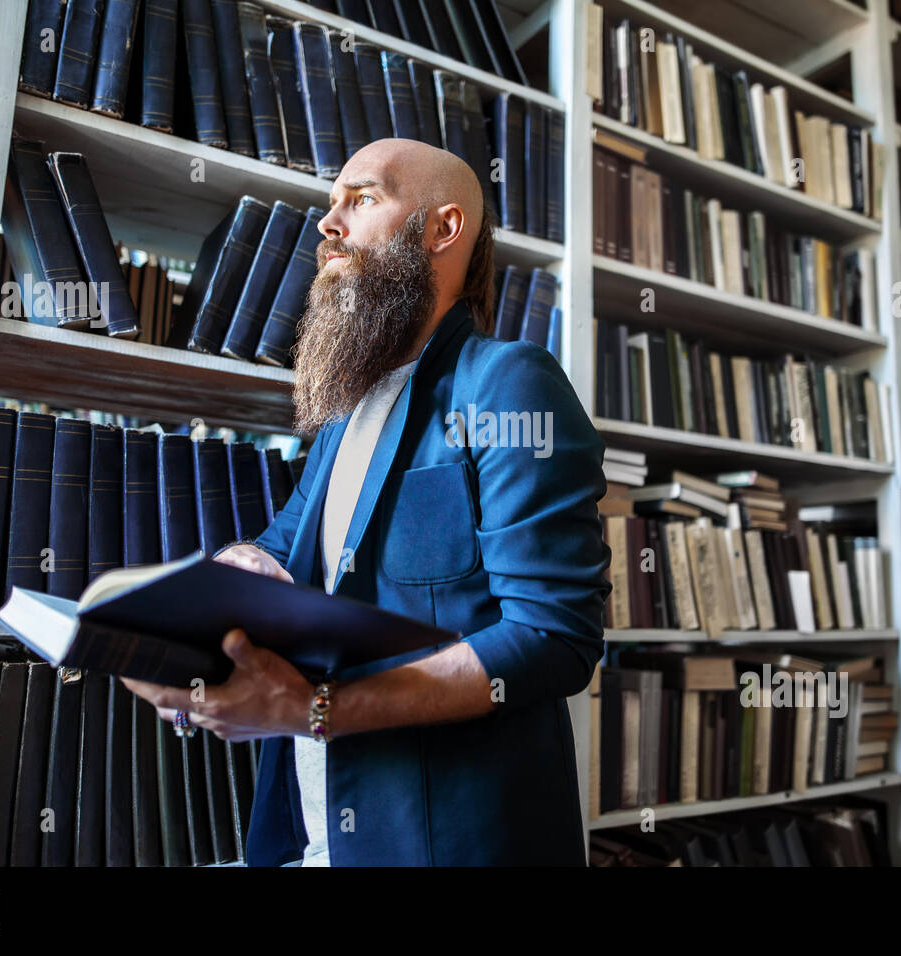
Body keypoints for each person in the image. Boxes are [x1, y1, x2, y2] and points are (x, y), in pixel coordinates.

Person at [123, 138, 609, 866]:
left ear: (443, 229)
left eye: (363, 198)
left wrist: (312, 711)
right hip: (312, 835)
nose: (329, 223)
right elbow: (290, 543)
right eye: (330, 204)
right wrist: (244, 563)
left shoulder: (511, 385)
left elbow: (552, 639)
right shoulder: (348, 409)